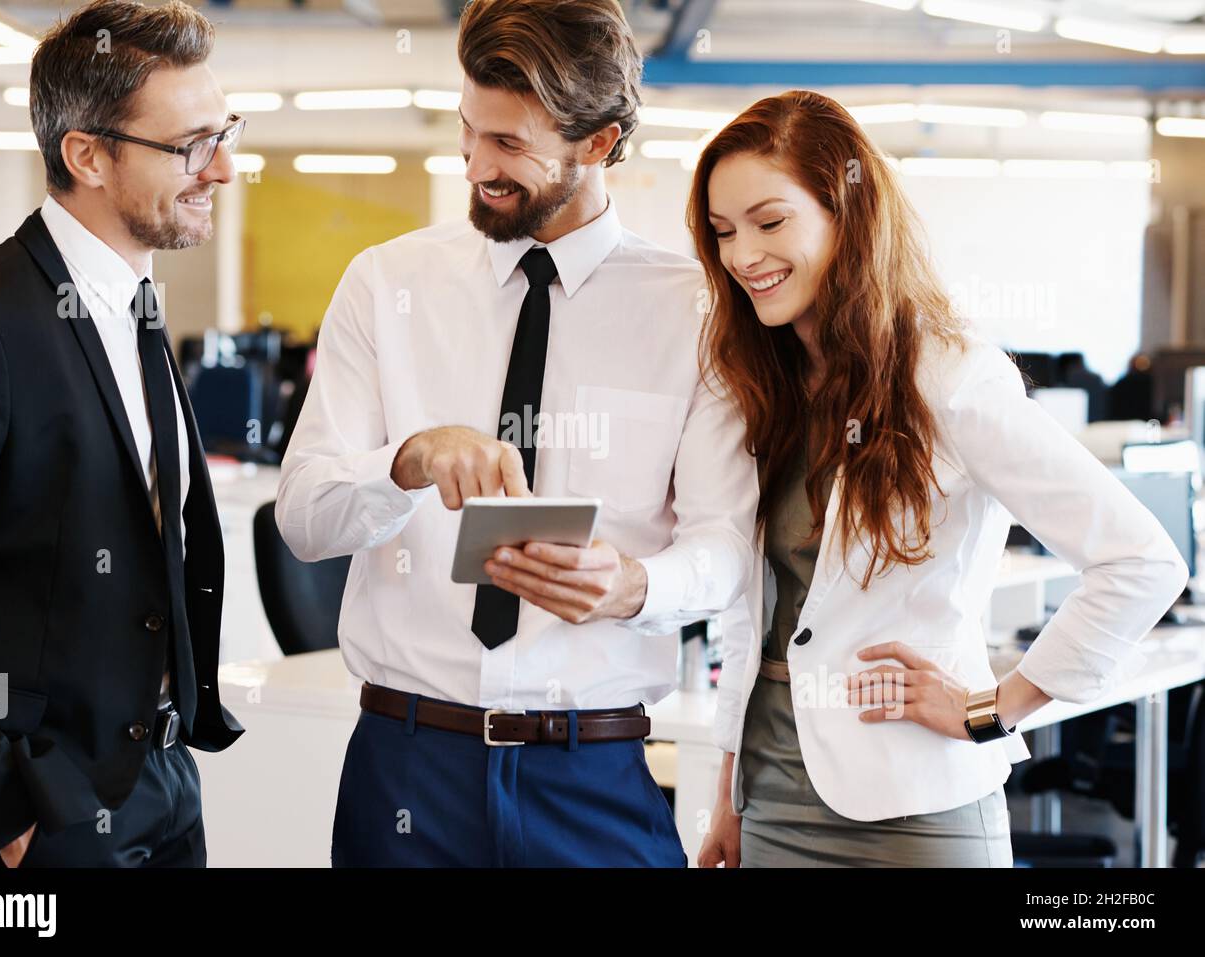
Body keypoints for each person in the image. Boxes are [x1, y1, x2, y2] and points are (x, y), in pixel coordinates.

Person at [276, 0, 758, 867]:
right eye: (470, 132)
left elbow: (726, 547)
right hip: (408, 771)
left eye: (510, 147)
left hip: (596, 776)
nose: (476, 167)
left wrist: (634, 585)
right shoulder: (385, 284)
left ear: (600, 142)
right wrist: (405, 461)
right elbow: (305, 520)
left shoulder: (693, 310)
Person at [690, 91, 1188, 867]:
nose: (742, 255)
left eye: (770, 221)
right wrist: (725, 794)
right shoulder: (761, 383)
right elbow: (755, 616)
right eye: (722, 232)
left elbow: (1141, 561)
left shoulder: (949, 378)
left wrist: (994, 706)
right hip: (769, 799)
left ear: (846, 213)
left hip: (916, 811)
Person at [0, 0, 244, 867]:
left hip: (165, 783)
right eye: (192, 145)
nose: (226, 169)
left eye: (225, 132)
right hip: (43, 807)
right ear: (87, 155)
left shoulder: (135, 307)